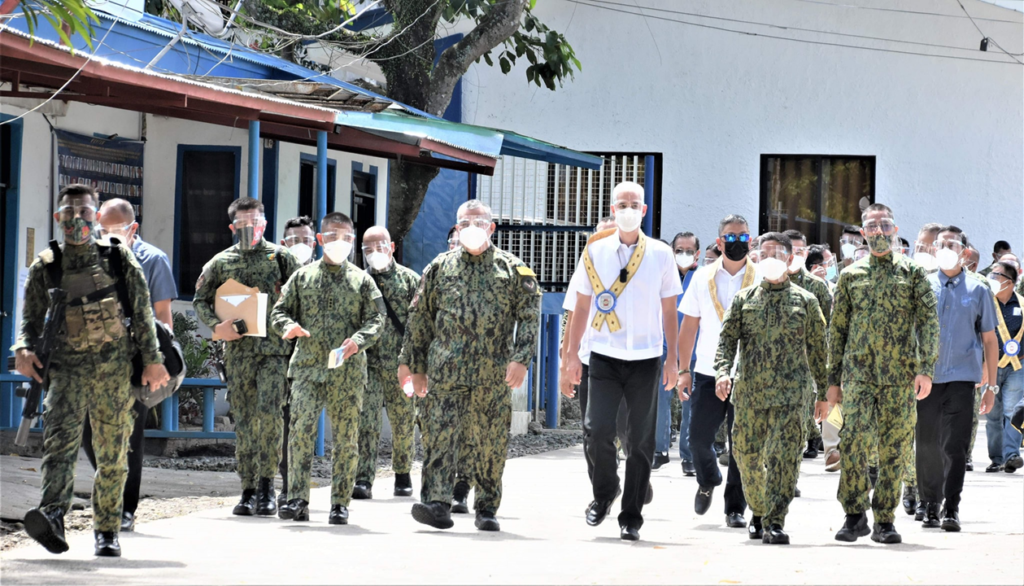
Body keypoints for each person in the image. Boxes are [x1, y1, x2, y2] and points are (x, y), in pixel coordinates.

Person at [15, 184, 169, 557]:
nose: (77, 219)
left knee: (113, 451)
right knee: (59, 446)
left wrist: (153, 359)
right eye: (69, 213)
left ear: (96, 217)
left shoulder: (117, 257)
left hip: (113, 369)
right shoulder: (46, 265)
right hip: (65, 370)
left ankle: (107, 528)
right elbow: (29, 320)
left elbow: (143, 312)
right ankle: (52, 515)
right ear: (58, 218)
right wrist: (22, 348)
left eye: (84, 212)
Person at [399, 200, 540, 533]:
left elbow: (530, 316)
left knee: (490, 443)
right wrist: (414, 365)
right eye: (464, 223)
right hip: (445, 372)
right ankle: (436, 503)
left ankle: (487, 507)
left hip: (492, 375)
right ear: (456, 228)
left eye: (478, 222)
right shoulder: (439, 268)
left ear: (492, 227)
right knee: (439, 438)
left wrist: (521, 358)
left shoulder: (513, 270)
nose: (471, 228)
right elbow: (419, 319)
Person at [562, 181, 681, 542]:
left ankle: (632, 516)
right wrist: (571, 355)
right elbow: (582, 305)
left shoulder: (661, 253)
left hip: (646, 357)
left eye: (634, 204)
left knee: (641, 441)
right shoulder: (595, 251)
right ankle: (604, 493)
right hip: (604, 354)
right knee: (597, 429)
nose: (628, 209)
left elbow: (669, 309)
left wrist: (673, 359)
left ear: (644, 210)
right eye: (621, 204)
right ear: (613, 210)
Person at [829, 204, 939, 545]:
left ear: (895, 230)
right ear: (863, 233)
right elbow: (838, 330)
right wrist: (832, 381)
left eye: (885, 225)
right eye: (872, 226)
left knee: (895, 448)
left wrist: (926, 369)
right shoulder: (850, 275)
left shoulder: (913, 273)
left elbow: (929, 323)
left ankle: (885, 520)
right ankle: (854, 514)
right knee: (853, 442)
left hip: (900, 377)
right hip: (858, 375)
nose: (879, 231)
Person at [270, 212, 384, 524]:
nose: (339, 242)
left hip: (347, 372)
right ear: (320, 239)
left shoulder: (362, 281)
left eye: (346, 237)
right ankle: (297, 498)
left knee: (346, 439)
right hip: (307, 370)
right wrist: (288, 326)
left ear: (352, 240)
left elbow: (377, 319)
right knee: (300, 433)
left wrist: (358, 341)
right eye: (333, 236)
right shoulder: (302, 278)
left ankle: (340, 503)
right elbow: (279, 311)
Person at [715, 233, 828, 544]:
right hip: (749, 395)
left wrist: (824, 394)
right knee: (746, 457)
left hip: (791, 397)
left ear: (790, 259)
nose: (769, 259)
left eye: (777, 254)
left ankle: (775, 521)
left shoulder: (806, 301)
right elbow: (726, 342)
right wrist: (722, 372)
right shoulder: (743, 299)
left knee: (784, 460)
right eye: (763, 254)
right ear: (755, 258)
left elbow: (819, 351)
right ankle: (760, 510)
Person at [193, 197, 301, 517]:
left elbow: (303, 297)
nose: (250, 227)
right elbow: (200, 300)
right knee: (244, 421)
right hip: (239, 355)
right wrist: (217, 327)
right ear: (232, 227)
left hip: (275, 353)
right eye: (243, 224)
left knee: (269, 417)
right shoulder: (220, 262)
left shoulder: (282, 257)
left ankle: (267, 487)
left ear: (264, 223)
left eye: (255, 222)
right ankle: (248, 488)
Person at [79, 198, 177, 533]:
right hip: (93, 360)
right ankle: (111, 487)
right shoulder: (89, 257)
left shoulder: (152, 260)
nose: (107, 235)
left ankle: (124, 508)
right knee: (87, 430)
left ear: (133, 229)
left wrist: (156, 362)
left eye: (115, 230)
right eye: (101, 229)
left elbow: (163, 318)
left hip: (135, 361)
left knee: (129, 435)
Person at [677, 214, 762, 529]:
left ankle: (735, 508)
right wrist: (683, 369)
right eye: (731, 236)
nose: (737, 241)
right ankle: (708, 478)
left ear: (750, 240)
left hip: (748, 374)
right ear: (719, 241)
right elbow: (689, 327)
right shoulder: (703, 277)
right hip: (708, 372)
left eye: (743, 236)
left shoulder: (762, 277)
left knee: (740, 444)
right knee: (698, 439)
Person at [916, 226, 998, 532]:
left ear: (965, 252)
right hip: (927, 378)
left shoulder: (978, 289)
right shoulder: (922, 286)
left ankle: (951, 507)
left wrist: (990, 386)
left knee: (955, 446)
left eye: (952, 245)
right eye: (941, 244)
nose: (946, 249)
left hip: (963, 380)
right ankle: (930, 504)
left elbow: (989, 339)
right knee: (927, 443)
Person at [352, 226, 421, 499]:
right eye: (368, 249)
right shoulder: (359, 281)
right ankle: (363, 478)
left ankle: (402, 474)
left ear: (391, 247)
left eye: (380, 246)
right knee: (366, 423)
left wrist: (415, 363)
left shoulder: (410, 280)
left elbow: (419, 325)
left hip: (401, 367)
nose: (375, 253)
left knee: (403, 421)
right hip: (367, 366)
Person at [558, 216, 623, 484]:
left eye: (610, 234)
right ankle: (602, 486)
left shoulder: (636, 267)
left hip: (628, 361)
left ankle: (636, 477)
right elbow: (572, 314)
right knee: (591, 429)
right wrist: (566, 361)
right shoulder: (585, 268)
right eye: (598, 235)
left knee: (627, 429)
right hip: (589, 360)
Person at [275, 215, 317, 507]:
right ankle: (280, 487)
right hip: (276, 360)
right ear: (283, 243)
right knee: (280, 424)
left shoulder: (324, 274)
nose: (301, 245)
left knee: (301, 426)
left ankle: (294, 490)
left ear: (315, 243)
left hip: (311, 363)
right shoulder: (271, 272)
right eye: (294, 240)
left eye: (306, 240)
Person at [782, 230, 833, 460]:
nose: (796, 254)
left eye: (800, 250)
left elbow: (827, 324)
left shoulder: (817, 286)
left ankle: (811, 437)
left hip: (809, 356)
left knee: (808, 399)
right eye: (791, 250)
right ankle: (810, 436)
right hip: (778, 358)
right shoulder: (770, 282)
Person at [985, 261, 1024, 474]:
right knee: (992, 413)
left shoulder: (1022, 304)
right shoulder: (985, 301)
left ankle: (1011, 456)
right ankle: (996, 458)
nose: (991, 278)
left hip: (1017, 364)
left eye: (996, 275)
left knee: (1012, 409)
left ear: (1009, 281)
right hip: (990, 364)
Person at [670, 231, 701, 476]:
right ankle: (657, 450)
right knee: (659, 401)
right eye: (679, 250)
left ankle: (688, 456)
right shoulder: (663, 276)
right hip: (665, 346)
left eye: (689, 251)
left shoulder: (703, 278)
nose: (684, 254)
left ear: (697, 254)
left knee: (691, 404)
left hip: (695, 349)